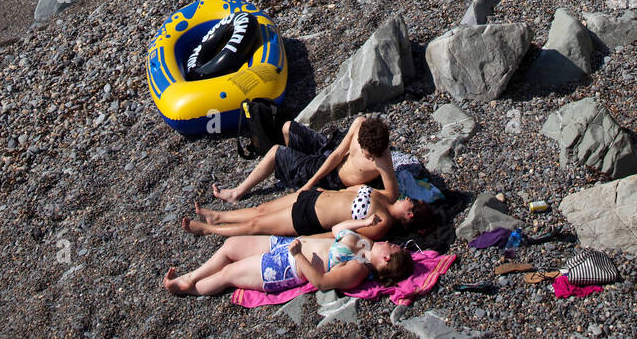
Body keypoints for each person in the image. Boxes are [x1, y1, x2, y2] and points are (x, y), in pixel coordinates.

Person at [164, 227, 414, 297]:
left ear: (386, 257)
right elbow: (338, 229)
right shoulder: (365, 246)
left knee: (228, 273)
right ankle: (191, 276)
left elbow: (322, 282)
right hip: (289, 246)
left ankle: (189, 288)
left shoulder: (359, 270)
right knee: (230, 246)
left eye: (390, 245)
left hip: (288, 266)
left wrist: (298, 256)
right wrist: (361, 224)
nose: (388, 242)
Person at [212, 114, 398, 203]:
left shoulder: (382, 159)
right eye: (367, 154)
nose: (370, 158)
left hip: (334, 179)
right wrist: (311, 181)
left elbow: (391, 194)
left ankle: (237, 192)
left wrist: (358, 190)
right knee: (287, 126)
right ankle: (294, 175)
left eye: (372, 157)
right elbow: (337, 154)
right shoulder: (360, 124)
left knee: (276, 151)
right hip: (328, 154)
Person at [183, 182, 434, 241]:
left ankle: (208, 229)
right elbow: (347, 190)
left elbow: (341, 235)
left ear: (409, 214)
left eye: (410, 202)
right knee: (259, 210)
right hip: (314, 196)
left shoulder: (382, 224)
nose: (405, 198)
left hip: (310, 218)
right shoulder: (382, 195)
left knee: (256, 226)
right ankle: (218, 216)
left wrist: (307, 240)